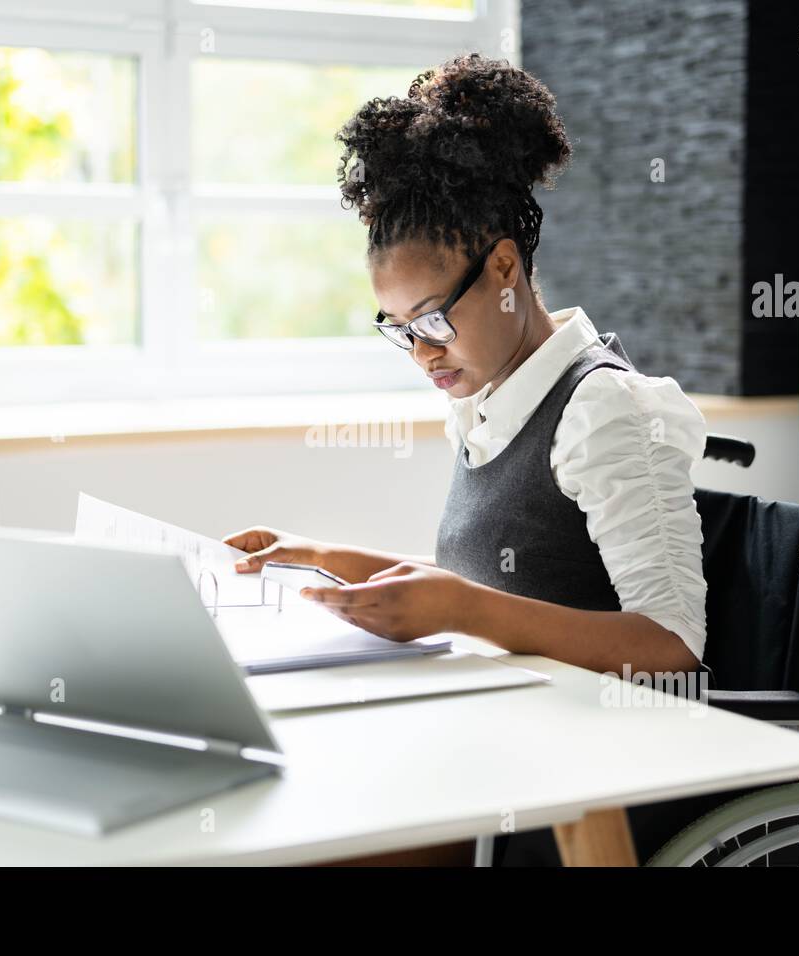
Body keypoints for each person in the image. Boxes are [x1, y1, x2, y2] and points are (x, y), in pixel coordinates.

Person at [223, 53, 709, 865]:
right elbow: (496, 577)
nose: (420, 352)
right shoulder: (484, 396)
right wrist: (324, 560)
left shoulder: (606, 412)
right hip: (498, 737)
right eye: (396, 328)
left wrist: (463, 612)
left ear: (506, 269)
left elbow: (672, 648)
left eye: (432, 319)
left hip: (587, 777)